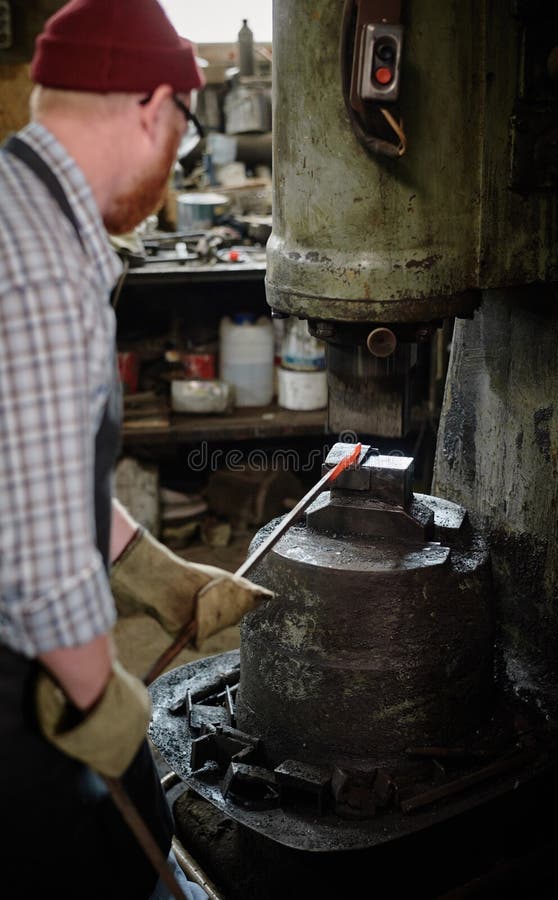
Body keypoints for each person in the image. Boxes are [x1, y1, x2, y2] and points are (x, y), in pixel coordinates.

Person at [0, 2, 272, 898]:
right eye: (182, 133)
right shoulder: (39, 261)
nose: (173, 166)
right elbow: (40, 561)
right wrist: (98, 693)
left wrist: (153, 571)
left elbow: (39, 466)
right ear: (155, 105)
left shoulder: (24, 208)